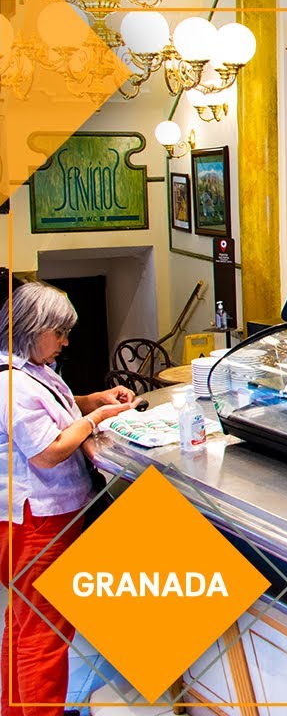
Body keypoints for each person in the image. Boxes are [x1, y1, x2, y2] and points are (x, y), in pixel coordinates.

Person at [1, 281, 138, 716]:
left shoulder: (31, 370)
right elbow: (47, 452)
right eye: (58, 332)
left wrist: (89, 400)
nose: (65, 341)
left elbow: (53, 410)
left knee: (23, 624)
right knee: (45, 634)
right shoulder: (12, 384)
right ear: (31, 328)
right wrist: (96, 417)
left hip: (39, 518)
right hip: (36, 522)